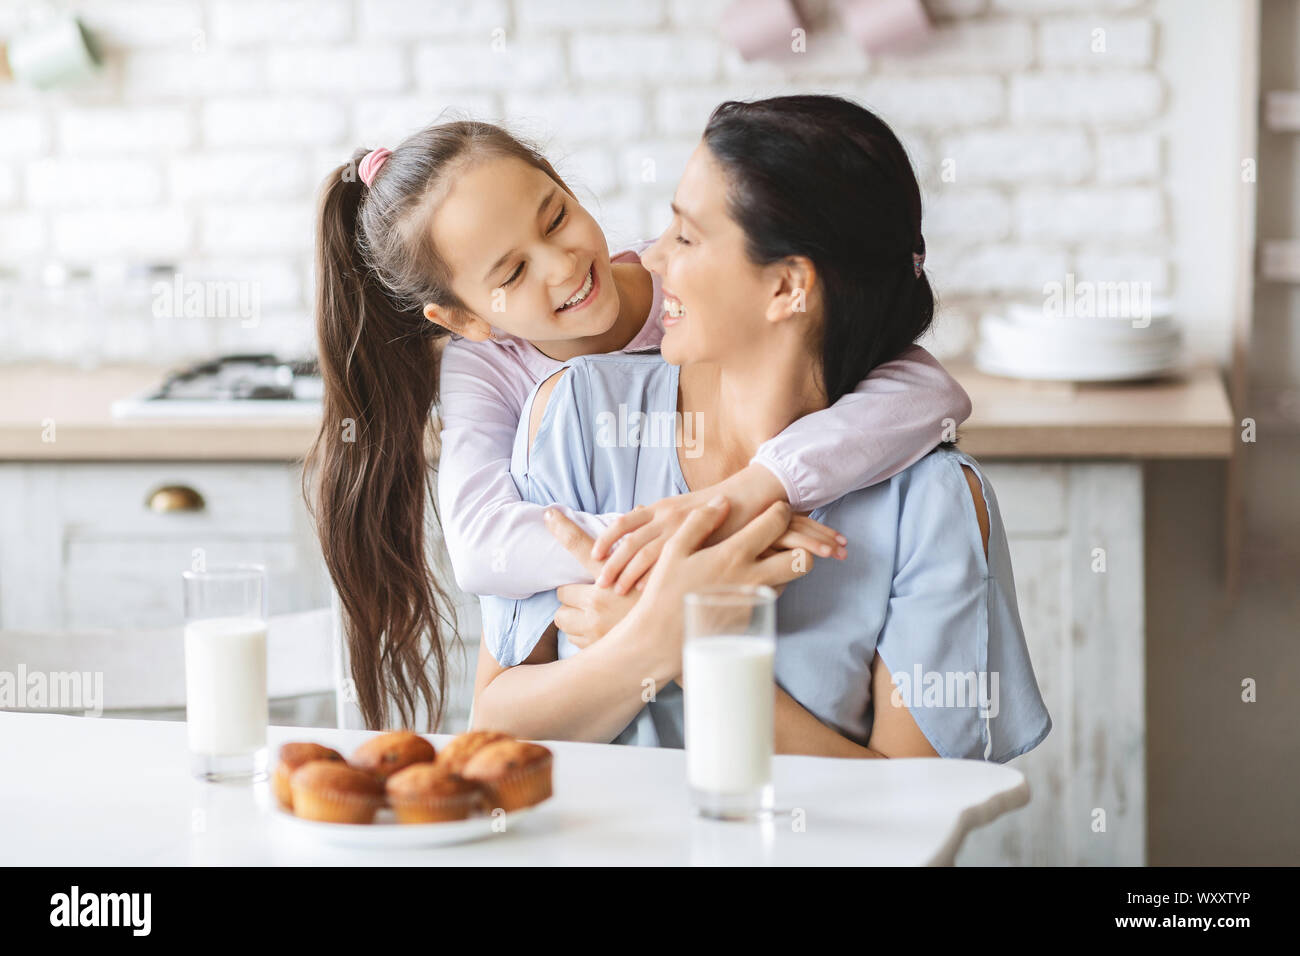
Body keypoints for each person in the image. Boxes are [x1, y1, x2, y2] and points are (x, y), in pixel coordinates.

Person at [306, 116, 972, 730]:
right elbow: (482, 545)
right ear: (468, 321)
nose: (564, 263)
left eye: (556, 217)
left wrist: (738, 497)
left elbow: (925, 390)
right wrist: (659, 559)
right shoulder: (513, 384)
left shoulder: (686, 288)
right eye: (513, 270)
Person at [471, 96, 1052, 761]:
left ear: (787, 289)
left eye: (685, 237)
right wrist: (650, 642)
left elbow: (915, 805)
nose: (652, 261)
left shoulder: (931, 504)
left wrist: (690, 651)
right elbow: (491, 735)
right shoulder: (580, 416)